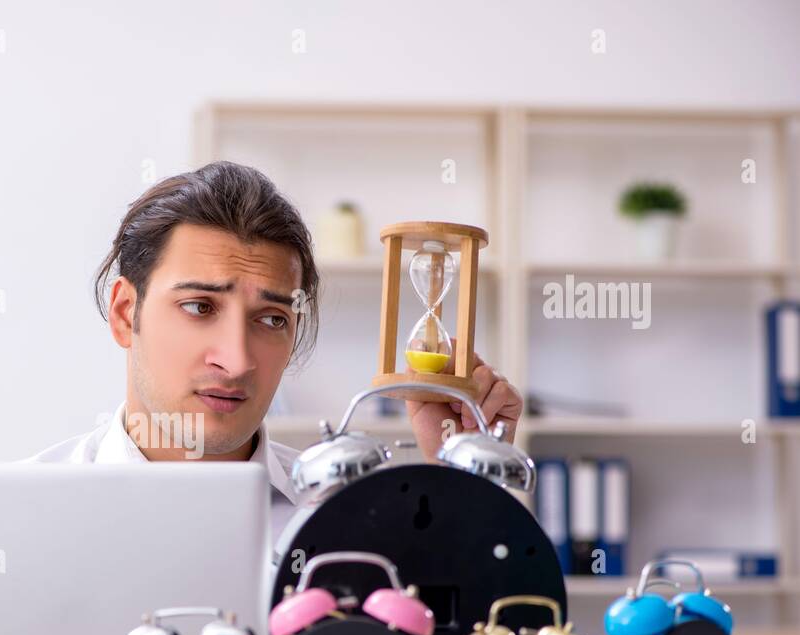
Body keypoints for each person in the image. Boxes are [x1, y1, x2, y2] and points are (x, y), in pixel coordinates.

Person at [29, 161, 523, 544]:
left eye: (271, 319)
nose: (238, 360)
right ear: (123, 314)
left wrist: (464, 486)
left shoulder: (360, 517)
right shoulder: (27, 509)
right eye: (200, 307)